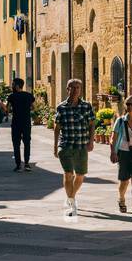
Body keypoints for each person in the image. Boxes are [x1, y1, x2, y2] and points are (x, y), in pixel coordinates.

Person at [53, 78, 95, 219]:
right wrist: (55, 146)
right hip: (66, 145)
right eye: (72, 87)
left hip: (82, 145)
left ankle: (71, 196)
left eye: (78, 87)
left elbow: (91, 125)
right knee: (68, 174)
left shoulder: (86, 106)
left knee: (81, 175)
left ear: (80, 90)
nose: (75, 90)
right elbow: (57, 127)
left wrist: (91, 141)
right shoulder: (61, 107)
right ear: (67, 89)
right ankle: (72, 203)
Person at [6, 77, 36, 171]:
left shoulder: (12, 96)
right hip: (26, 122)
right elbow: (33, 108)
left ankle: (18, 165)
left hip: (16, 122)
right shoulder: (29, 95)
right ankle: (27, 164)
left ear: (17, 86)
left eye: (13, 84)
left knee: (16, 144)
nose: (12, 86)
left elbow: (8, 109)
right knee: (27, 143)